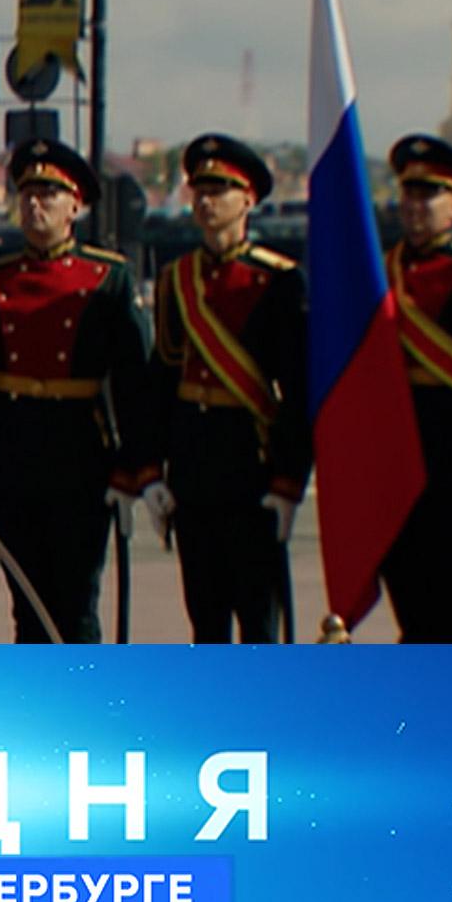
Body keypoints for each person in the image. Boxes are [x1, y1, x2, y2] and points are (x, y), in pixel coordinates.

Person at [0, 138, 151, 643]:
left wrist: (134, 471)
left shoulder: (108, 280)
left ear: (75, 206)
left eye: (49, 195)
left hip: (81, 461)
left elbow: (135, 384)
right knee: (28, 608)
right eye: (28, 194)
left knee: (76, 607)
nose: (35, 205)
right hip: (13, 459)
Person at [141, 134, 311, 644]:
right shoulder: (176, 279)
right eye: (200, 190)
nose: (206, 201)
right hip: (194, 467)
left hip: (250, 466)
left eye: (219, 191)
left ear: (248, 200)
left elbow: (299, 390)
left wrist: (288, 481)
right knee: (205, 618)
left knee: (259, 621)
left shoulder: (279, 281)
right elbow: (161, 381)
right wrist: (150, 471)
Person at [379, 134, 452, 642]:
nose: (415, 206)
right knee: (413, 614)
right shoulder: (380, 273)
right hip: (398, 469)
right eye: (409, 194)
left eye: (429, 194)